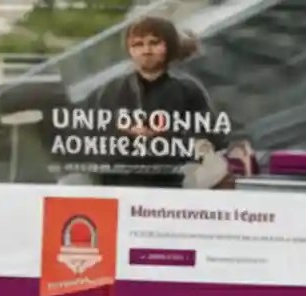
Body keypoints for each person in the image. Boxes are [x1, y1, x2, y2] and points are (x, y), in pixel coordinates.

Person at [83, 16, 223, 187]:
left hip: (173, 186)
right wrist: (127, 134)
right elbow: (93, 141)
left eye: (154, 43)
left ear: (169, 46)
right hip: (121, 185)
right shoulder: (110, 91)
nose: (146, 50)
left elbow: (208, 138)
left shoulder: (188, 90)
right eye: (138, 44)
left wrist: (164, 136)